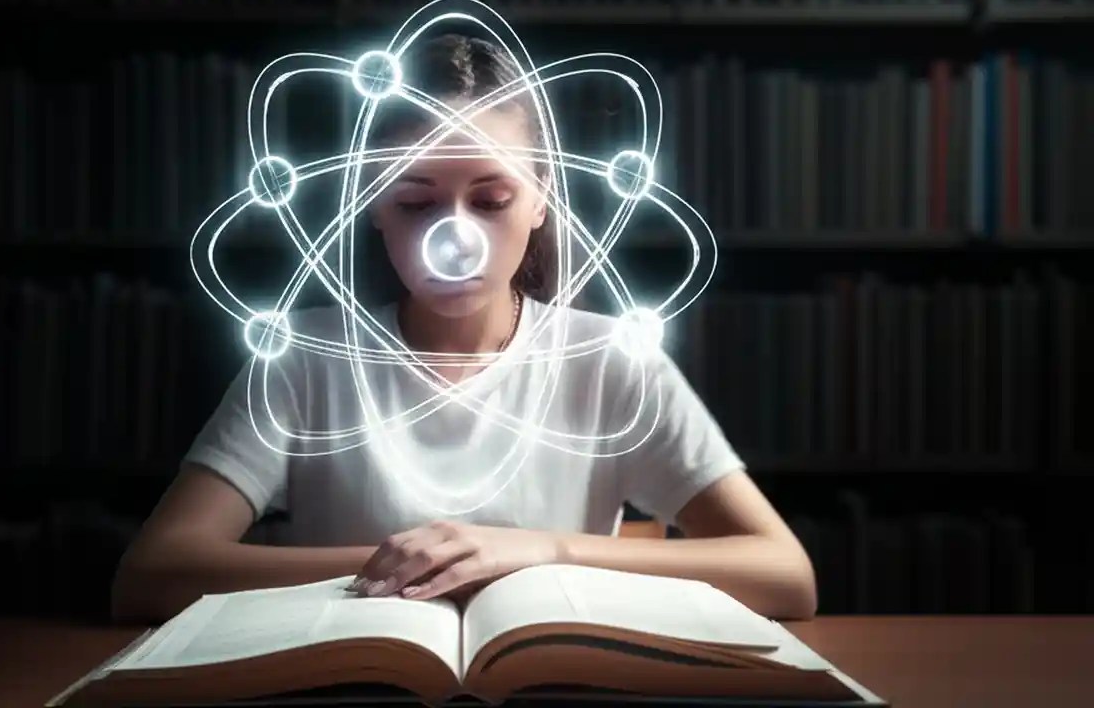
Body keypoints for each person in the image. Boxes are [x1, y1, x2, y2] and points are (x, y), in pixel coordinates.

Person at [111, 34, 816, 623]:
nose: (456, 237)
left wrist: (546, 551)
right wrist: (418, 564)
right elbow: (153, 575)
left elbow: (785, 575)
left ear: (541, 199)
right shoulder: (302, 361)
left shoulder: (610, 360)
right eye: (416, 203)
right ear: (372, 206)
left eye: (492, 198)